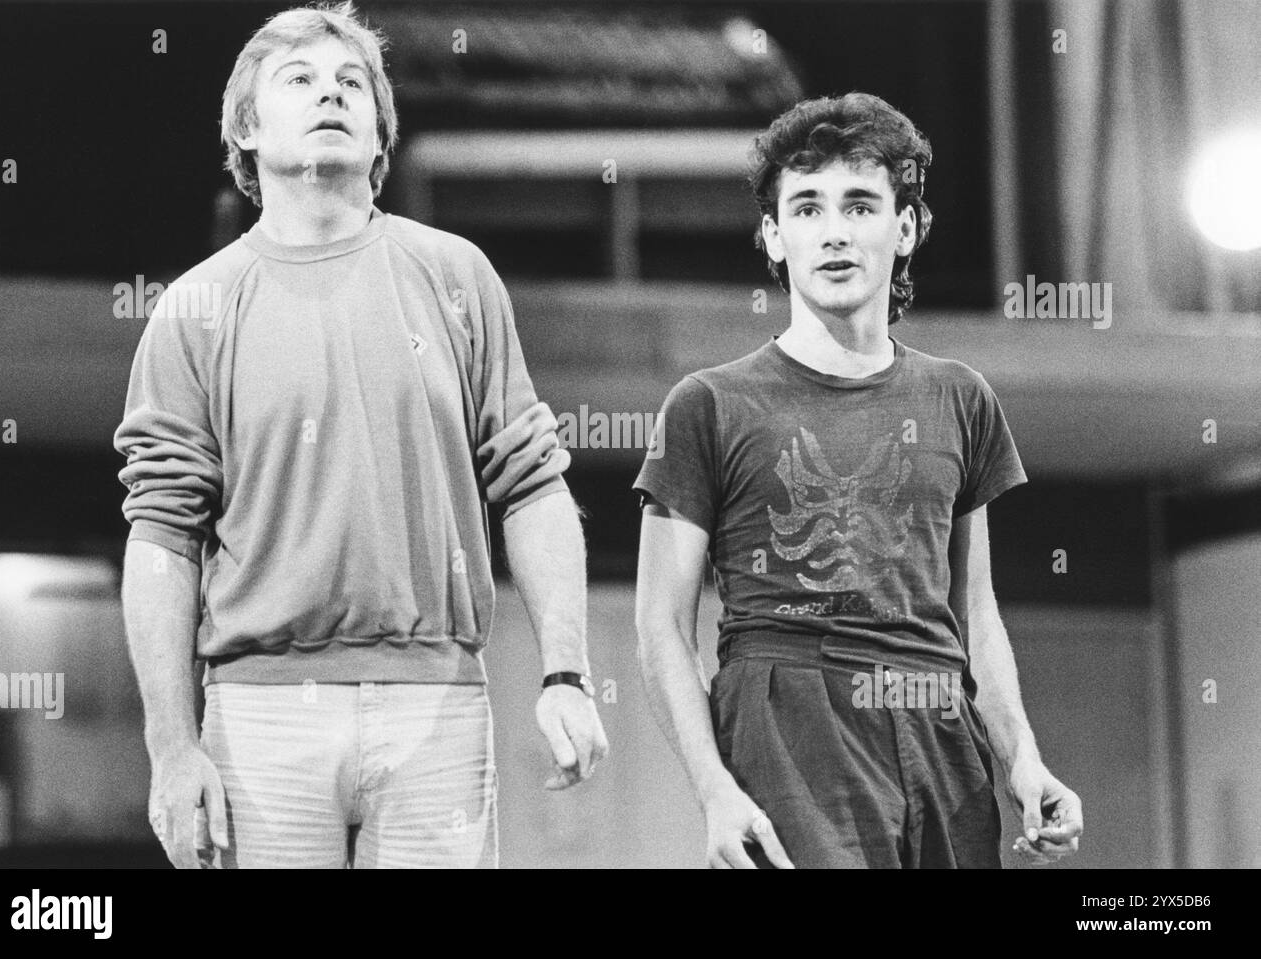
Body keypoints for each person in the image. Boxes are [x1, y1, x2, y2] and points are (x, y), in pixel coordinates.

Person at [114, 1, 606, 869]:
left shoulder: (457, 276)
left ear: (381, 134)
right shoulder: (193, 309)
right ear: (247, 128)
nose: (330, 93)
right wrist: (169, 744)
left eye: (351, 82)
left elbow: (532, 486)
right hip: (257, 712)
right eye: (298, 79)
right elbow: (161, 534)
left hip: (440, 701)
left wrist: (565, 672)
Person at [633, 92, 1082, 868]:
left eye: (860, 204)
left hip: (939, 725)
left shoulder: (961, 396)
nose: (834, 230)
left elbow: (975, 611)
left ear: (903, 227)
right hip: (788, 723)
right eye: (806, 208)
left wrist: (1023, 758)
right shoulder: (707, 404)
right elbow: (660, 626)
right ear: (773, 236)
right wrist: (713, 788)